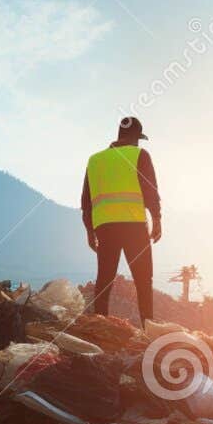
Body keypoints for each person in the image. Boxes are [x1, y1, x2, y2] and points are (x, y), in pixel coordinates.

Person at [81, 116, 161, 321]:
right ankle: (147, 327)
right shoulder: (139, 155)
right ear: (136, 137)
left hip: (105, 228)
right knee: (143, 280)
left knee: (104, 279)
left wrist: (90, 232)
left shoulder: (95, 160)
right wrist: (157, 220)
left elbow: (86, 202)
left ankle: (100, 323)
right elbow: (150, 191)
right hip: (134, 226)